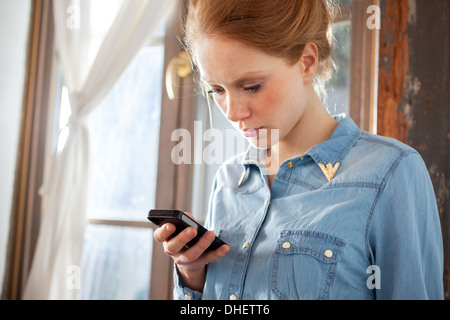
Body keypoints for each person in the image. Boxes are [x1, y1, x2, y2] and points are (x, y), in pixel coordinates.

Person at [154, 0, 444, 300]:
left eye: (251, 86)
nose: (233, 112)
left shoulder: (391, 173)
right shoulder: (230, 180)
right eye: (216, 90)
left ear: (307, 62)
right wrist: (192, 273)